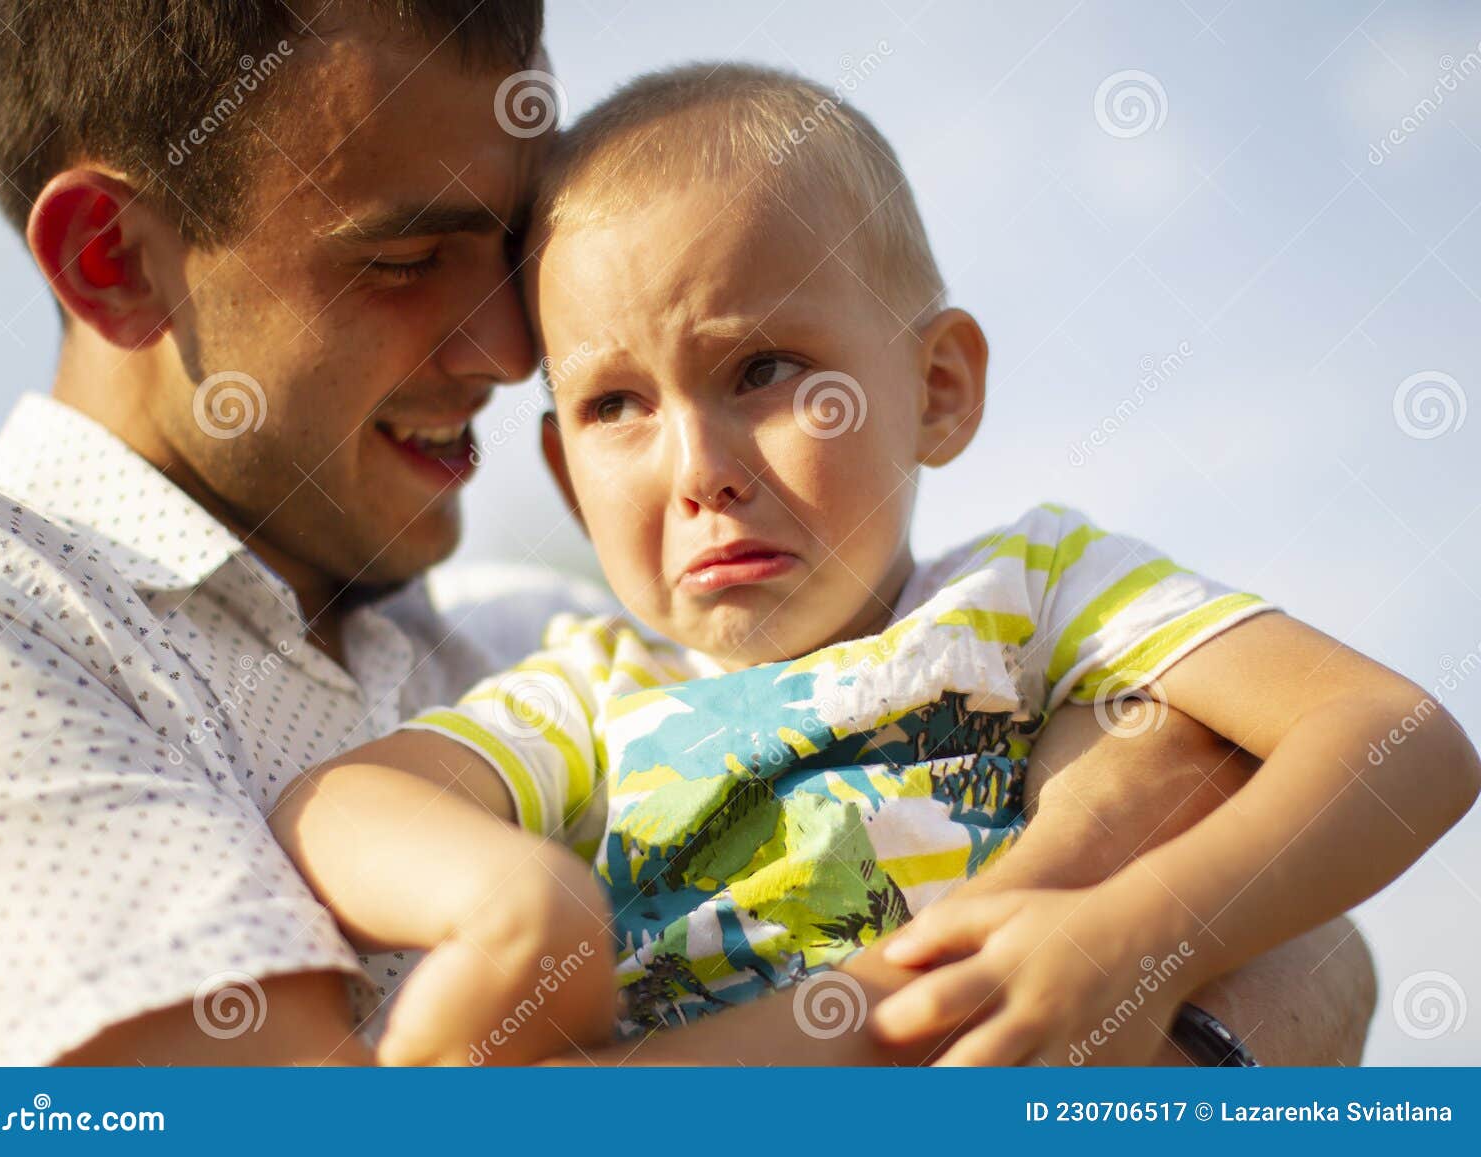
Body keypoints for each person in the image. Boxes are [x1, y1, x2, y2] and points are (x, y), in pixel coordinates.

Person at [0, 2, 1375, 1066]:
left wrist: (1123, 870)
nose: (508, 345)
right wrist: (1133, 1014)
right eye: (405, 260)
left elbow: (1272, 843)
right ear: (110, 260)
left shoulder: (550, 644)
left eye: (512, 263)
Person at [272, 63, 1478, 1066]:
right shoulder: (590, 690)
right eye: (616, 405)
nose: (699, 468)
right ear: (562, 476)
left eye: (764, 369)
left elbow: (1394, 734)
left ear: (937, 390)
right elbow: (344, 801)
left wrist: (1135, 930)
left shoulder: (1033, 586)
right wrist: (511, 905)